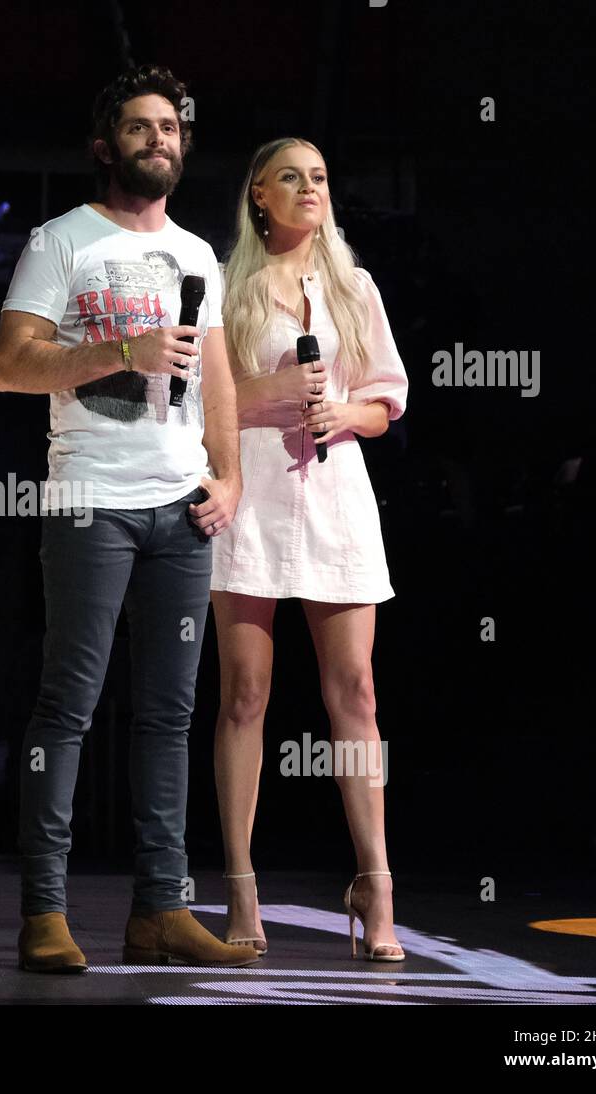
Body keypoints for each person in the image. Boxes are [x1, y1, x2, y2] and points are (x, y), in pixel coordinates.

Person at [0, 63, 255, 972]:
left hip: (181, 507)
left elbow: (215, 378)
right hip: (88, 499)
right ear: (107, 145)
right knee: (68, 704)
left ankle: (160, 908)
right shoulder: (60, 240)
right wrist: (118, 350)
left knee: (169, 716)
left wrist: (231, 478)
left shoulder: (197, 255)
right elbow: (10, 365)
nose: (160, 141)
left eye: (172, 129)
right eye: (141, 129)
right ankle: (45, 912)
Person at [211, 137, 410, 960]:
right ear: (259, 194)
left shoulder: (352, 286)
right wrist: (268, 393)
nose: (310, 189)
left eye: (321, 177)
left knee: (356, 690)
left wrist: (346, 414)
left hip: (334, 496)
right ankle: (240, 888)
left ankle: (375, 883)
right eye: (292, 177)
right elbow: (198, 404)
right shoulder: (227, 288)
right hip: (251, 492)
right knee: (246, 694)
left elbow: (387, 400)